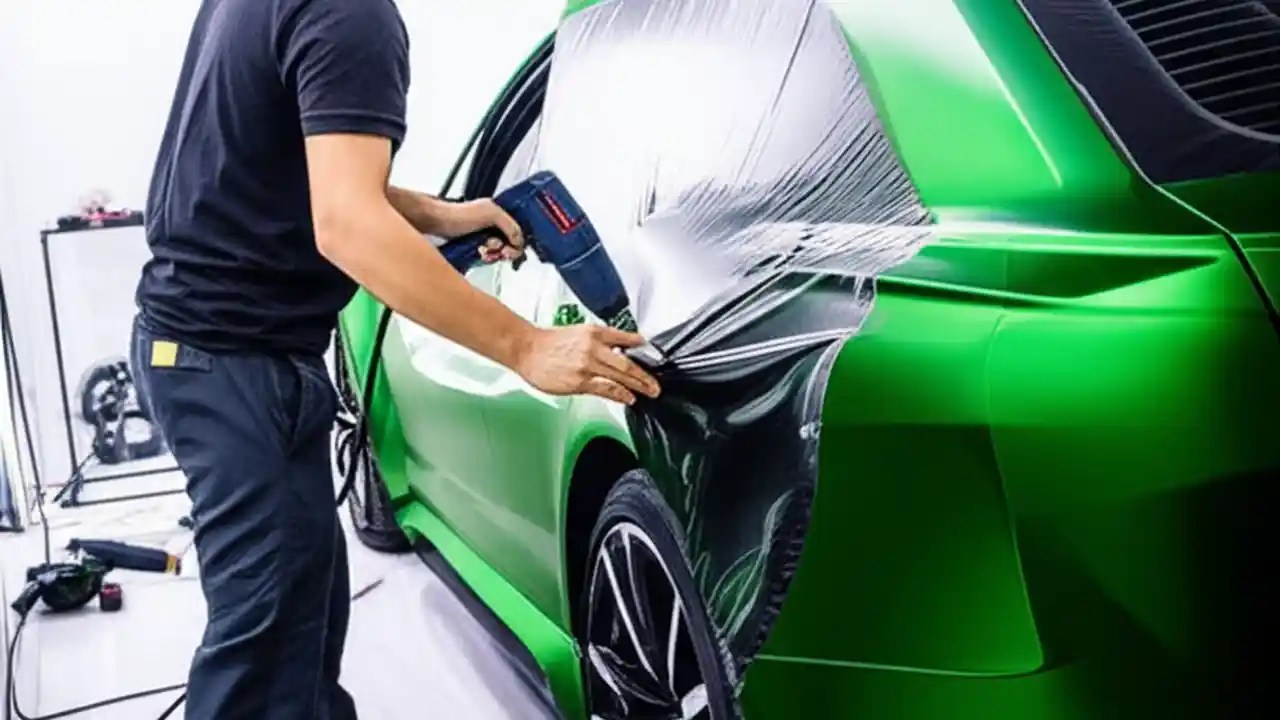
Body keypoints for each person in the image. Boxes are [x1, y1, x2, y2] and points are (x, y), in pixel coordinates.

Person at [128, 1, 661, 718]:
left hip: (212, 349)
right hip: (231, 356)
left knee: (300, 619)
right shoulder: (351, 14)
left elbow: (309, 165)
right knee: (267, 648)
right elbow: (348, 224)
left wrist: (447, 214)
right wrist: (525, 345)